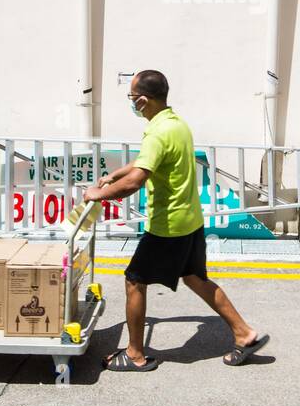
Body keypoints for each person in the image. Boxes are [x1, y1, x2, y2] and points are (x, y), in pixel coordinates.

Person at [84, 69, 269, 372]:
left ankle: (135, 354)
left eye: (132, 98)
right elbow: (145, 161)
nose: (131, 103)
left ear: (143, 101)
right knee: (195, 278)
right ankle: (244, 333)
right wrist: (114, 174)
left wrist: (98, 194)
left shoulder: (157, 132)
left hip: (168, 226)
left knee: (134, 281)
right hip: (190, 220)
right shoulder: (175, 124)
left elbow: (136, 181)